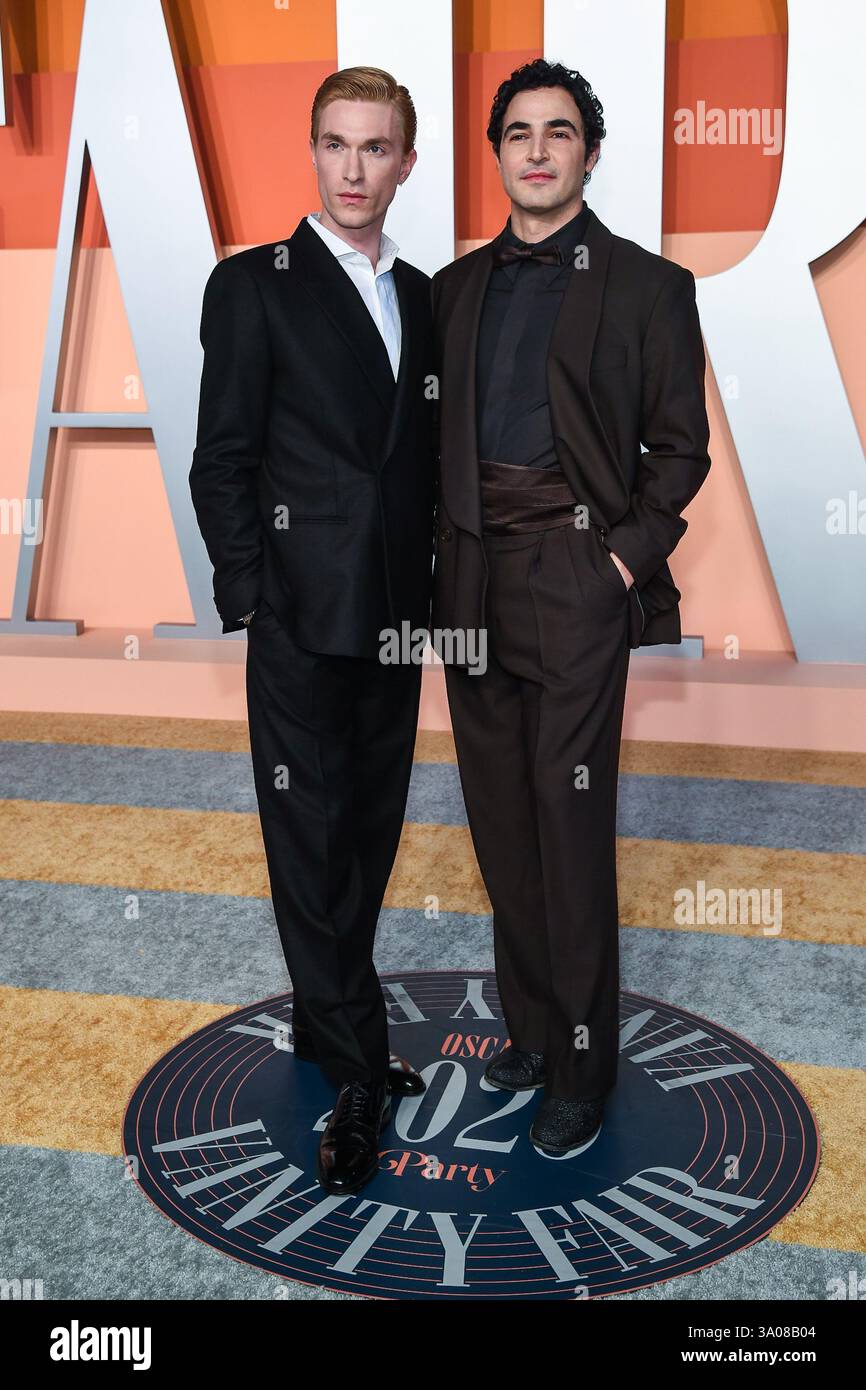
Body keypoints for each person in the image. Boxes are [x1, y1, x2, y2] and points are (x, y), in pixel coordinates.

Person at [430, 58, 711, 1155]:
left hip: (573, 575)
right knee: (498, 818)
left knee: (567, 813)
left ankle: (582, 1064)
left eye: (557, 132)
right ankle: (533, 1029)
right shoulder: (451, 292)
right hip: (467, 581)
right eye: (516, 133)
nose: (535, 150)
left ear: (588, 153)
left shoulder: (647, 287)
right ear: (495, 154)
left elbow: (676, 452)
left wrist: (617, 565)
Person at [189, 67, 437, 1195]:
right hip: (298, 618)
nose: (351, 168)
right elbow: (222, 457)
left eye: (373, 147)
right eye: (334, 144)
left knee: (370, 832)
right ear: (311, 151)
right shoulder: (254, 285)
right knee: (310, 841)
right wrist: (254, 597)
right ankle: (351, 1061)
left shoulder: (424, 296)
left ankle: (322, 1019)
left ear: (405, 162)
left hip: (394, 619)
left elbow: (417, 465)